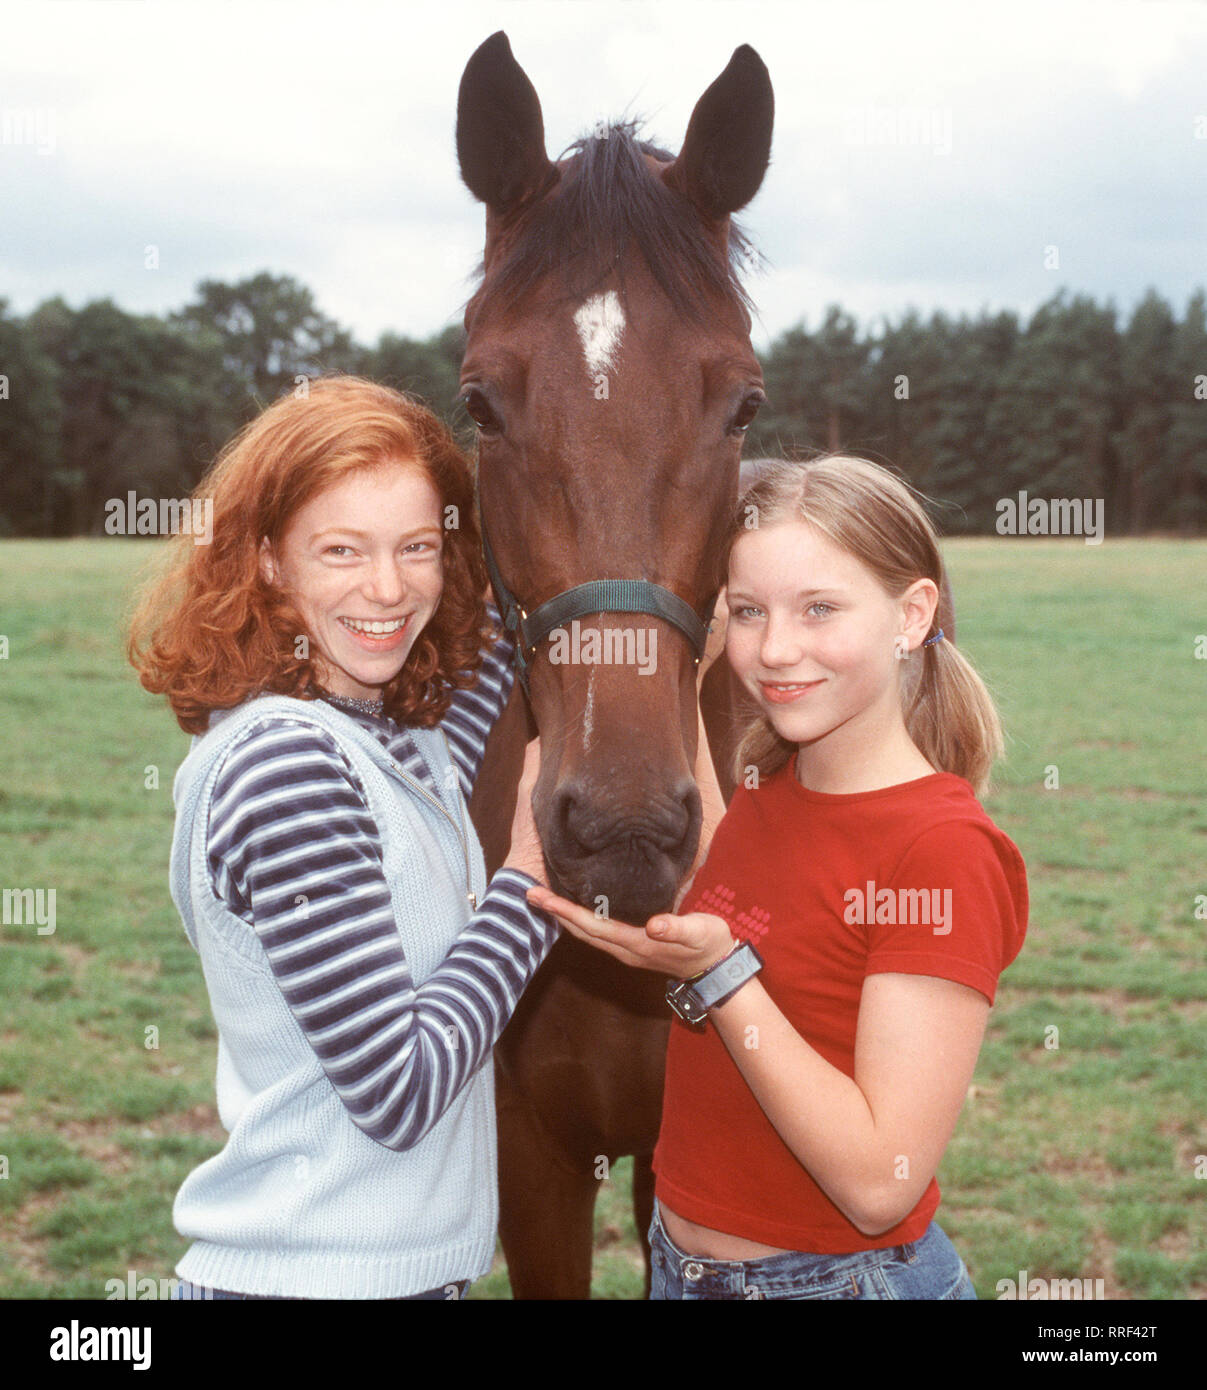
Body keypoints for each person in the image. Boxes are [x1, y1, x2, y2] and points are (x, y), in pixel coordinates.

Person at [528, 454, 1028, 1301]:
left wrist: (721, 979)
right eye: (750, 611)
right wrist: (681, 676)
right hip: (683, 1270)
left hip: (831, 1282)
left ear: (911, 616)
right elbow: (731, 896)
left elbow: (879, 1185)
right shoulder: (769, 795)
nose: (776, 648)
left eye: (819, 608)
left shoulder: (939, 849)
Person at [128, 374, 557, 1300]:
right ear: (271, 560)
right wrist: (528, 882)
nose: (387, 588)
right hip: (310, 1283)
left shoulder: (392, 732)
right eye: (341, 549)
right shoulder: (288, 766)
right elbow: (396, 1091)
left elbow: (513, 640)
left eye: (416, 547)